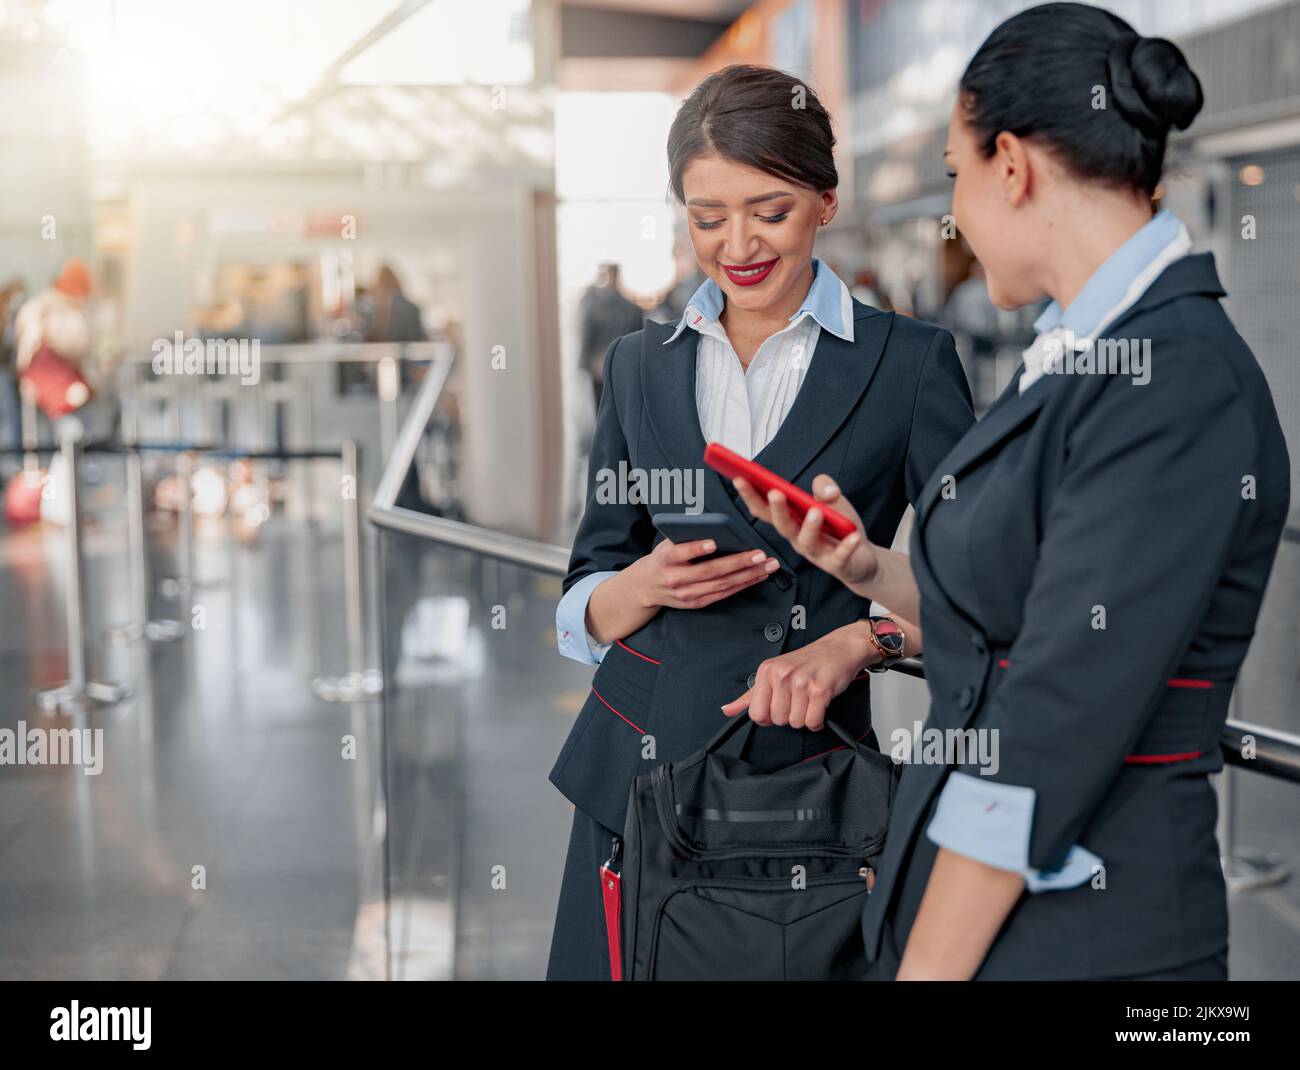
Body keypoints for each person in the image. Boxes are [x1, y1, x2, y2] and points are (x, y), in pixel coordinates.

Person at [730, 2, 1290, 981]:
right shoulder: (1077, 356)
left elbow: (1047, 725)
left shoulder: (1174, 380)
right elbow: (1014, 616)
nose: (958, 210)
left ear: (1013, 166)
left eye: (956, 174)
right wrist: (863, 564)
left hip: (1086, 944)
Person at [545, 64, 975, 980]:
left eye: (768, 210)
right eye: (707, 217)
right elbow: (588, 580)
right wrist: (633, 588)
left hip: (807, 782)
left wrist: (862, 640)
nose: (736, 243)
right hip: (636, 771)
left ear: (825, 200)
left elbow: (976, 603)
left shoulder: (909, 367)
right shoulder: (637, 366)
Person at [577, 263, 644, 412]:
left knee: (601, 409)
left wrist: (583, 364)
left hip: (599, 365)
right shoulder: (632, 307)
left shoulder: (594, 307)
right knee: (621, 408)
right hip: (623, 364)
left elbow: (588, 337)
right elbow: (640, 339)